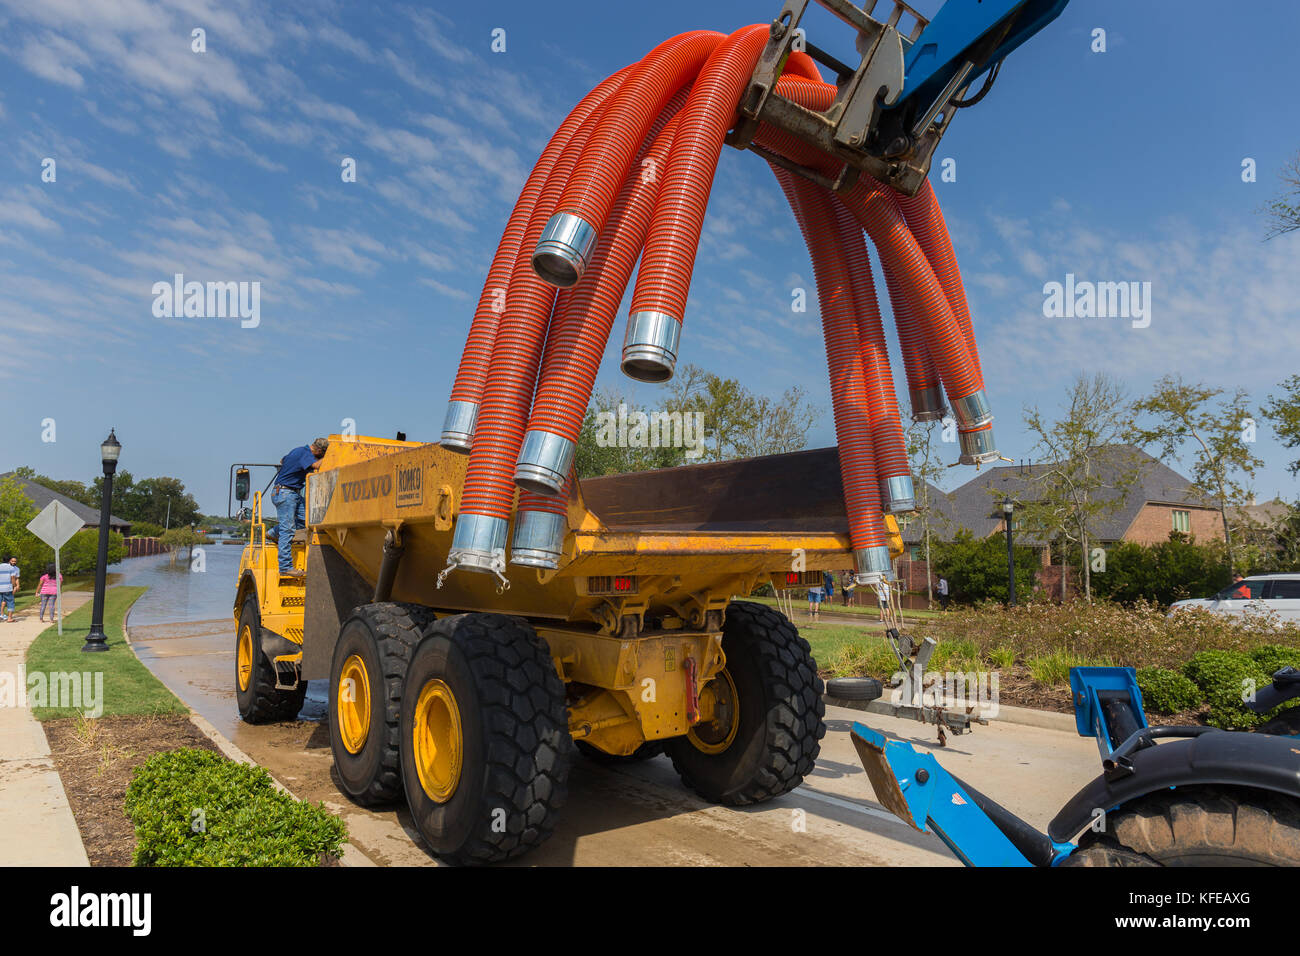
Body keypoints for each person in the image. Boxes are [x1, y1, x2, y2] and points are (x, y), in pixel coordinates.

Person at [271, 438, 329, 577]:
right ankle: (285, 567)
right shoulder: (305, 453)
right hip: (286, 493)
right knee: (288, 531)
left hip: (291, 493)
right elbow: (315, 465)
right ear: (319, 451)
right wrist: (330, 457)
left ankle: (273, 532)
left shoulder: (297, 451)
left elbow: (282, 460)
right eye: (323, 454)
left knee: (306, 521)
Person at [0, 555, 17, 622]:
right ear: (9, 560)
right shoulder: (11, 568)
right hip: (7, 588)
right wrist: (14, 586)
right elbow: (12, 578)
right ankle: (9, 618)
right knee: (10, 602)